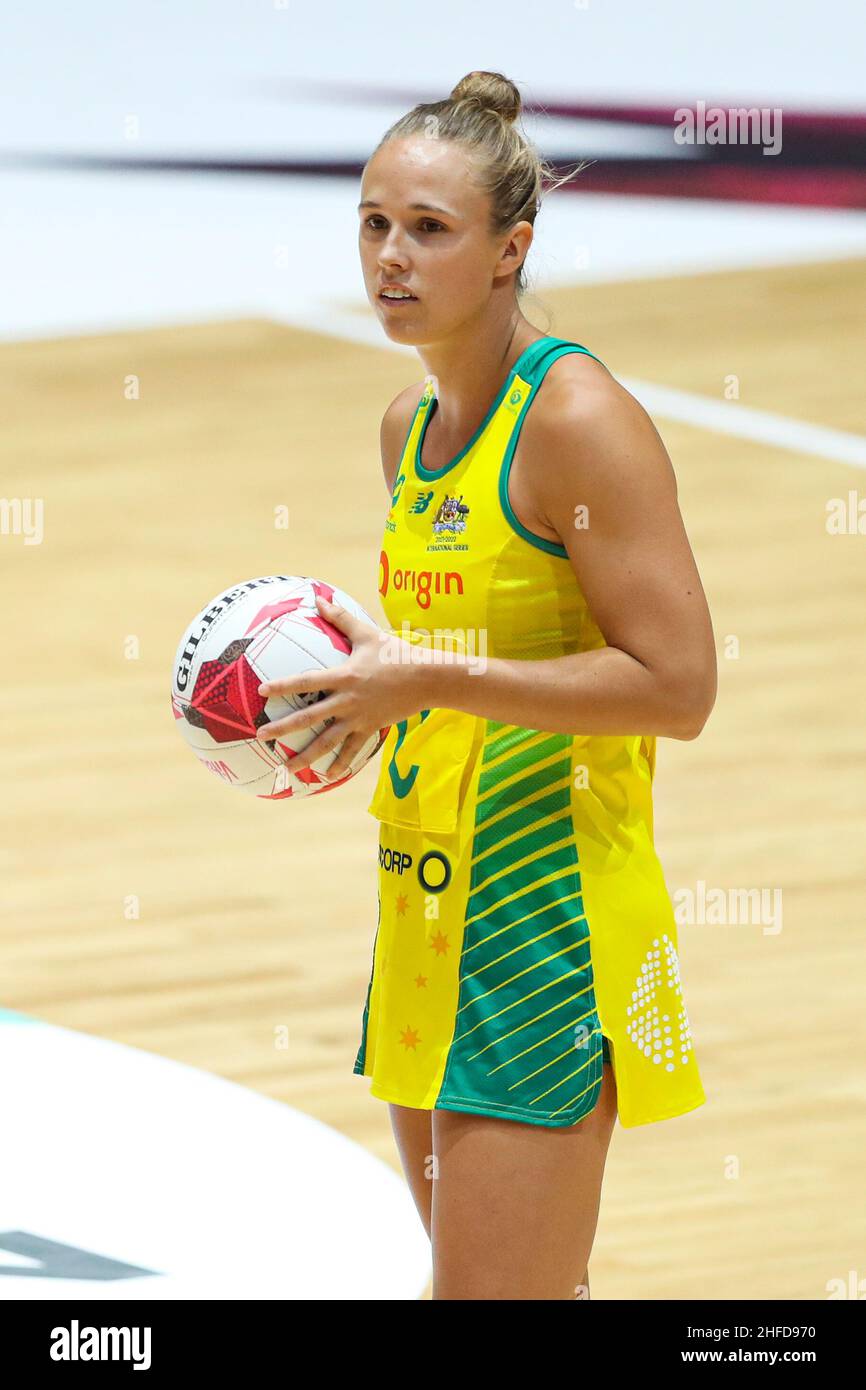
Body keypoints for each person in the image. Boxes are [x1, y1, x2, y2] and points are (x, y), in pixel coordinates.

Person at [256, 69, 717, 1300]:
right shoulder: (408, 429)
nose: (389, 257)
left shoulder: (575, 419)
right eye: (371, 223)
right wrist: (337, 714)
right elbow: (430, 679)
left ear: (510, 248)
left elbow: (676, 685)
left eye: (427, 229)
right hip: (423, 906)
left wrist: (431, 678)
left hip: (544, 925)